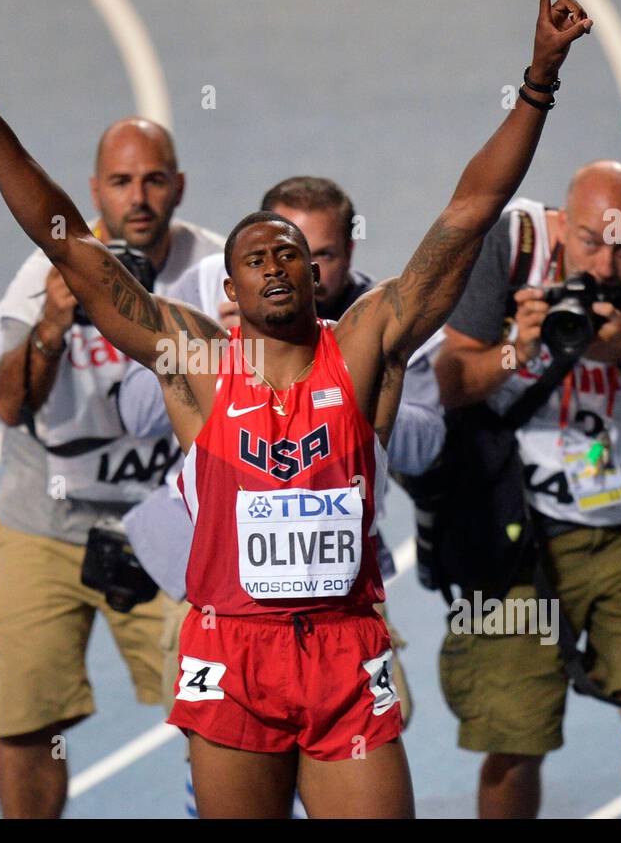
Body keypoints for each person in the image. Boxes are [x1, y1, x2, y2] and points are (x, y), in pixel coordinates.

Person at [0, 0, 591, 817]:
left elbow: (470, 210)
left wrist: (539, 81)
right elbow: (62, 237)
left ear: (317, 278)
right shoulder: (194, 359)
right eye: (257, 257)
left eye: (292, 254)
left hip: (346, 646)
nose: (279, 263)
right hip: (230, 649)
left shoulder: (363, 347)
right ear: (226, 292)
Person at [115, 176, 446, 732]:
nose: (279, 271)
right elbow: (137, 412)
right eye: (264, 258)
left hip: (334, 586)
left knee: (384, 726)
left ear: (339, 257)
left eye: (318, 256)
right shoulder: (207, 298)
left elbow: (427, 443)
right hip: (217, 588)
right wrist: (227, 361)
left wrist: (350, 398)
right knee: (222, 749)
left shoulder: (379, 322)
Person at [431, 160, 621, 818]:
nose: (608, 264)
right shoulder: (513, 244)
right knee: (515, 739)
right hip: (519, 528)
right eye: (591, 240)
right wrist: (517, 350)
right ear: (562, 223)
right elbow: (446, 382)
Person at [0, 117, 223, 818]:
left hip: (167, 521)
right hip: (47, 521)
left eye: (152, 179)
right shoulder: (48, 270)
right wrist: (53, 324)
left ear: (178, 186)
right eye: (120, 181)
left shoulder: (213, 269)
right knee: (26, 716)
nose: (137, 197)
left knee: (220, 698)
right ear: (94, 192)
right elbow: (9, 403)